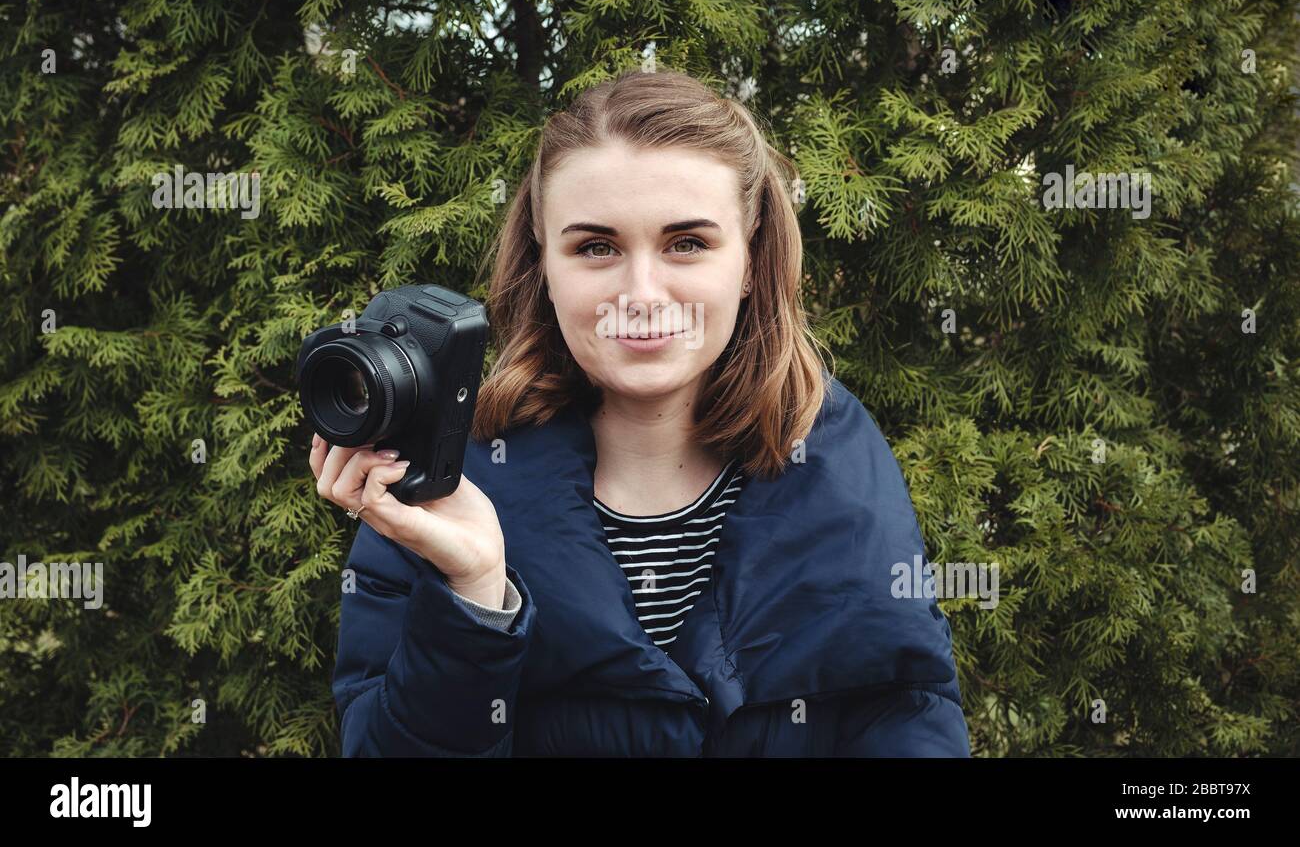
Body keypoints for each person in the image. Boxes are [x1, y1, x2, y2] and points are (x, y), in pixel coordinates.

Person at [313, 69, 971, 757]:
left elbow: (908, 717)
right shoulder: (443, 488)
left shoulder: (837, 460)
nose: (642, 293)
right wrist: (476, 599)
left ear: (750, 260)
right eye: (596, 248)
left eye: (688, 243)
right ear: (544, 265)